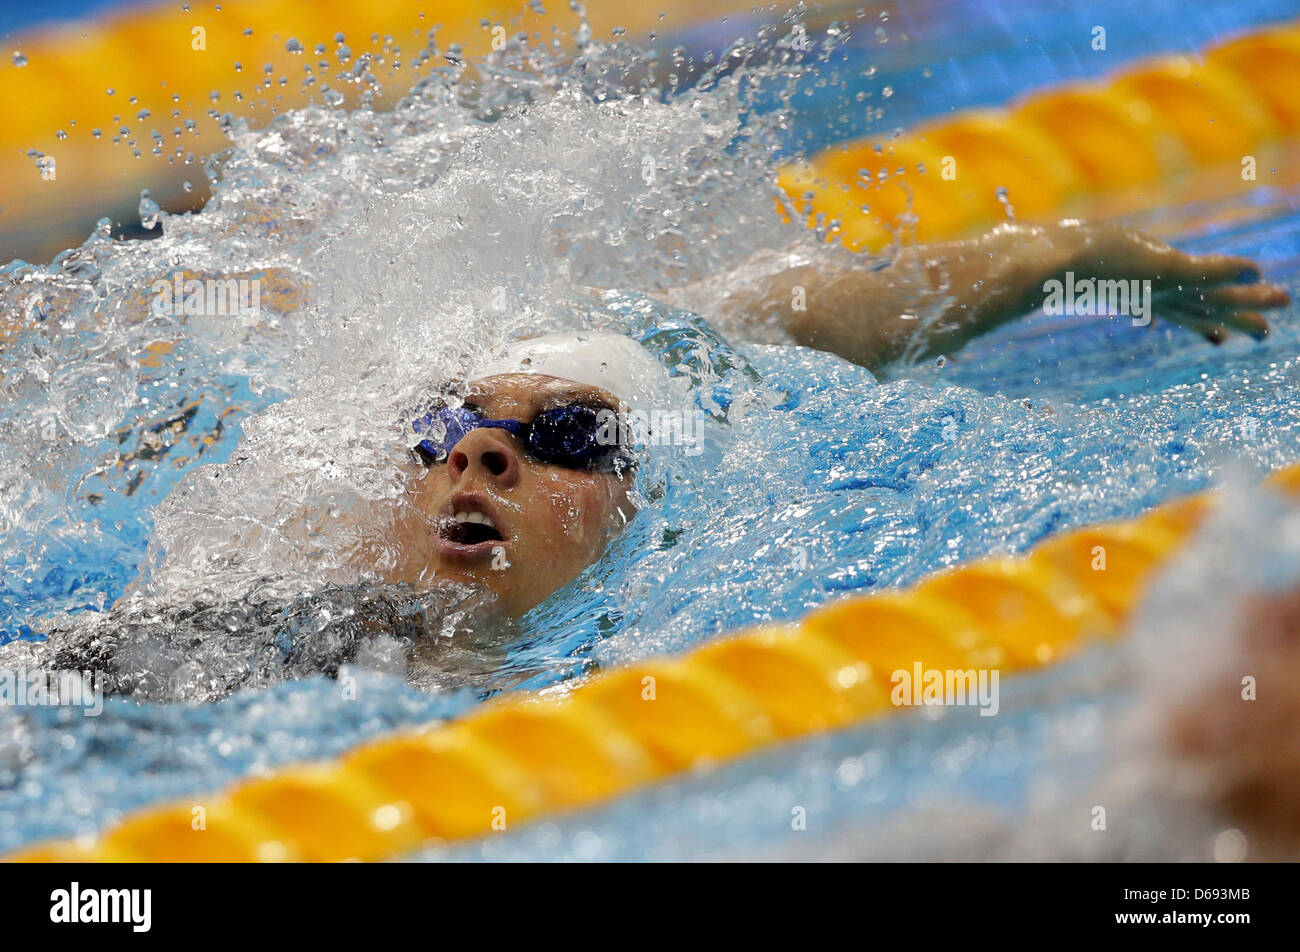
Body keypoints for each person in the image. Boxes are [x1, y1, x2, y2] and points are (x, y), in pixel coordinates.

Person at [379, 218, 1291, 617]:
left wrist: (1080, 257)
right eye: (450, 429)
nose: (480, 455)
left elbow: (906, 300)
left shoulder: (756, 564)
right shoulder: (327, 590)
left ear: (648, 501)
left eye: (572, 434)